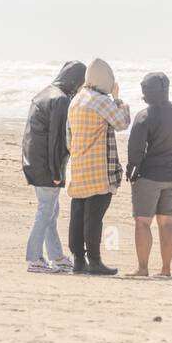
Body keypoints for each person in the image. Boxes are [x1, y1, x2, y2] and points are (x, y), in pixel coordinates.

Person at [66, 58, 131, 276]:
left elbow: (69, 138)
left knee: (78, 213)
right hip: (99, 169)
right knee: (94, 217)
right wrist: (118, 98)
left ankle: (78, 260)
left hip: (78, 167)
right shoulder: (102, 101)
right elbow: (122, 122)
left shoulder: (76, 101)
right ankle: (94, 261)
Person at [21, 61, 86, 273]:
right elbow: (57, 141)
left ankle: (56, 257)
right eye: (82, 84)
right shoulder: (59, 100)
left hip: (34, 162)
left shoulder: (45, 93)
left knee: (51, 211)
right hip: (46, 166)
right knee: (45, 211)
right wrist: (57, 173)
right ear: (77, 81)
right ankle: (34, 258)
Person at [126, 72, 172, 277]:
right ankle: (166, 269)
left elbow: (136, 150)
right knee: (166, 223)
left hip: (150, 176)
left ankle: (142, 269)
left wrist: (132, 172)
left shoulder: (144, 117)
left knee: (143, 222)